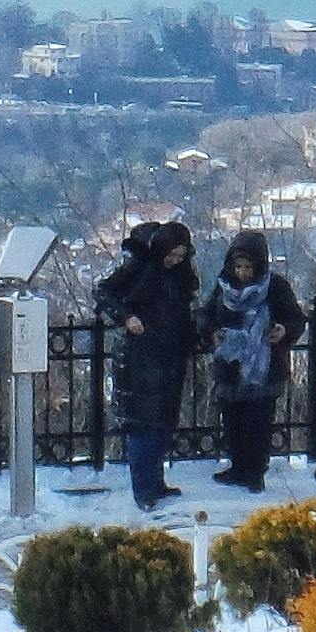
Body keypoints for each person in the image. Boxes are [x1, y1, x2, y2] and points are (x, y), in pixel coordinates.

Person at [200, 231, 307, 494]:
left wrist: (282, 330)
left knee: (258, 423)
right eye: (238, 267)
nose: (243, 273)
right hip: (230, 365)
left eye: (248, 267)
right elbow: (207, 315)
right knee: (233, 422)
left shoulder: (275, 287)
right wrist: (212, 332)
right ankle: (238, 467)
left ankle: (255, 472)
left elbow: (295, 319)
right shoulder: (224, 286)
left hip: (264, 367)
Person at [106, 217, 199, 510]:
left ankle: (155, 483)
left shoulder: (179, 276)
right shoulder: (139, 266)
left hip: (169, 356)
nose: (174, 260)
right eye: (171, 254)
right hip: (140, 356)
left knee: (162, 425)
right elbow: (105, 292)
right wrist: (127, 317)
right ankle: (144, 490)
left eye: (180, 256)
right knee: (144, 426)